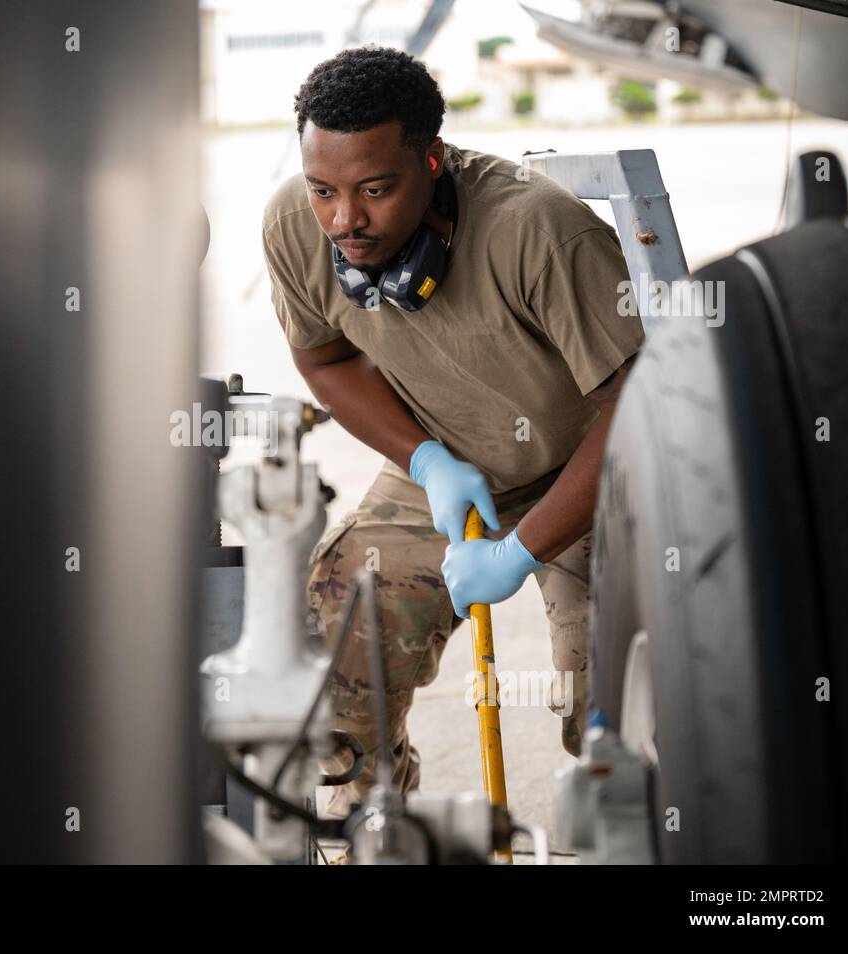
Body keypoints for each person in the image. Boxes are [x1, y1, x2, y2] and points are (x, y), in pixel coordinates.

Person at [260, 46, 644, 814]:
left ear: (432, 160)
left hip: (590, 473)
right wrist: (425, 459)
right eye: (323, 190)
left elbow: (639, 406)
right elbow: (325, 359)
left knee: (610, 697)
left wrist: (520, 549)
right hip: (443, 461)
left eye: (375, 189)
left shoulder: (539, 233)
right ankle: (371, 834)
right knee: (343, 628)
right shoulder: (294, 227)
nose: (344, 220)